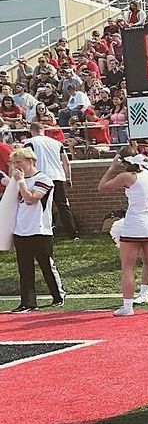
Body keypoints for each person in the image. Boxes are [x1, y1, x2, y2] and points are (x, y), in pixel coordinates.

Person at [96, 150, 148, 316]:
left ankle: (128, 306)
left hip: (135, 223)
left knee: (127, 266)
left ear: (123, 161)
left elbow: (102, 187)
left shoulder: (127, 176)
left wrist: (112, 167)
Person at [4, 148, 64, 312]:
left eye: (19, 162)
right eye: (13, 163)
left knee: (46, 265)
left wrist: (20, 182)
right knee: (24, 269)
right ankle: (28, 302)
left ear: (30, 161)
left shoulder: (43, 179)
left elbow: (31, 199)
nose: (16, 166)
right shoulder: (18, 180)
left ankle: (57, 295)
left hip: (39, 229)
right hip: (20, 229)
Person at [24, 121, 79, 239]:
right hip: (57, 176)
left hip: (41, 177)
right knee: (63, 205)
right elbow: (66, 162)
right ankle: (73, 234)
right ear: (43, 130)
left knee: (41, 207)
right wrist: (68, 177)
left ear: (31, 131)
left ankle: (44, 232)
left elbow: (29, 160)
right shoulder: (57, 143)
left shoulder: (29, 142)